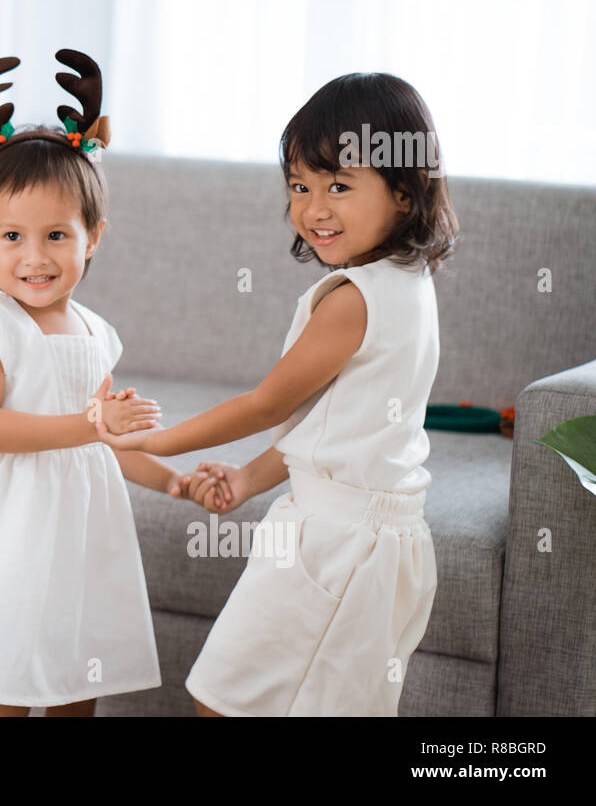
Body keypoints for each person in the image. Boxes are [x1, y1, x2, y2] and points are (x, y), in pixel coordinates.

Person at [97, 72, 459, 716]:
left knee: (225, 700)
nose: (314, 209)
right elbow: (328, 426)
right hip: (363, 534)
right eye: (299, 186)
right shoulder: (408, 281)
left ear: (405, 192)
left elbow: (267, 404)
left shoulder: (354, 301)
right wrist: (246, 479)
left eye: (339, 187)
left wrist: (150, 439)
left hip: (339, 544)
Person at [0, 51, 191, 717]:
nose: (35, 257)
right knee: (11, 677)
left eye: (56, 235)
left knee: (77, 672)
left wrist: (172, 478)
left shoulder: (96, 333)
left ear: (93, 237)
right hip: (6, 530)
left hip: (76, 531)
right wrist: (88, 427)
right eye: (12, 236)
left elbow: (106, 440)